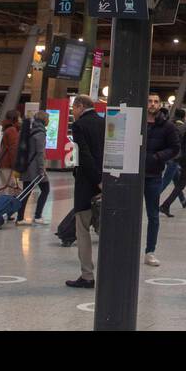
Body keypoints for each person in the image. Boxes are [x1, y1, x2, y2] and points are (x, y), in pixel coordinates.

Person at [65, 96, 104, 289]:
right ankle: (109, 273)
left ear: (80, 106)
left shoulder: (80, 126)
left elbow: (84, 155)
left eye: (74, 108)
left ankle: (87, 275)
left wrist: (97, 180)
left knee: (82, 231)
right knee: (104, 230)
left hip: (87, 186)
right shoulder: (104, 122)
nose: (73, 112)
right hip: (106, 184)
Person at [143, 100, 181, 265]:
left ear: (159, 105)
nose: (152, 104)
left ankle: (150, 251)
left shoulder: (167, 126)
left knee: (153, 215)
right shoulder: (136, 121)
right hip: (132, 175)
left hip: (153, 174)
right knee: (128, 213)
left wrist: (158, 157)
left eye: (155, 101)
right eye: (150, 100)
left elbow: (175, 148)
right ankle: (125, 249)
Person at [16, 110, 50, 225]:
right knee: (46, 190)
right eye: (48, 119)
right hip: (35, 168)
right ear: (44, 120)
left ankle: (20, 218)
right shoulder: (40, 133)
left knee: (26, 192)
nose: (49, 121)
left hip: (27, 165)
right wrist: (42, 170)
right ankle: (38, 216)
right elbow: (40, 153)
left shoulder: (30, 129)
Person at [0, 113, 20, 193]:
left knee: (6, 188)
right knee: (10, 189)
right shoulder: (12, 130)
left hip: (4, 163)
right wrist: (15, 165)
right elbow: (13, 149)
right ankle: (5, 205)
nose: (20, 119)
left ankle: (2, 204)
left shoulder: (8, 129)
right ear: (14, 119)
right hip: (8, 164)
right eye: (19, 117)